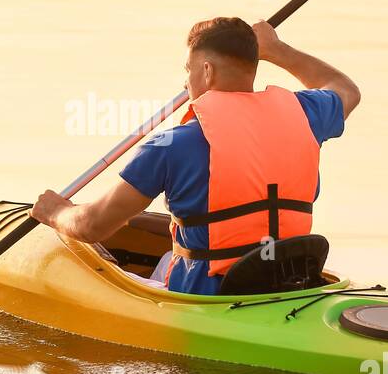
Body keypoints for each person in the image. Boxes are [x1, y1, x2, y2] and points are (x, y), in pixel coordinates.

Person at [30, 17, 358, 295]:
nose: (185, 82)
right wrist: (277, 50)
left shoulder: (172, 144)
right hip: (290, 282)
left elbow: (92, 226)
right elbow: (345, 89)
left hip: (208, 293)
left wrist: (57, 212)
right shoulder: (305, 114)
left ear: (206, 70)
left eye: (187, 71)